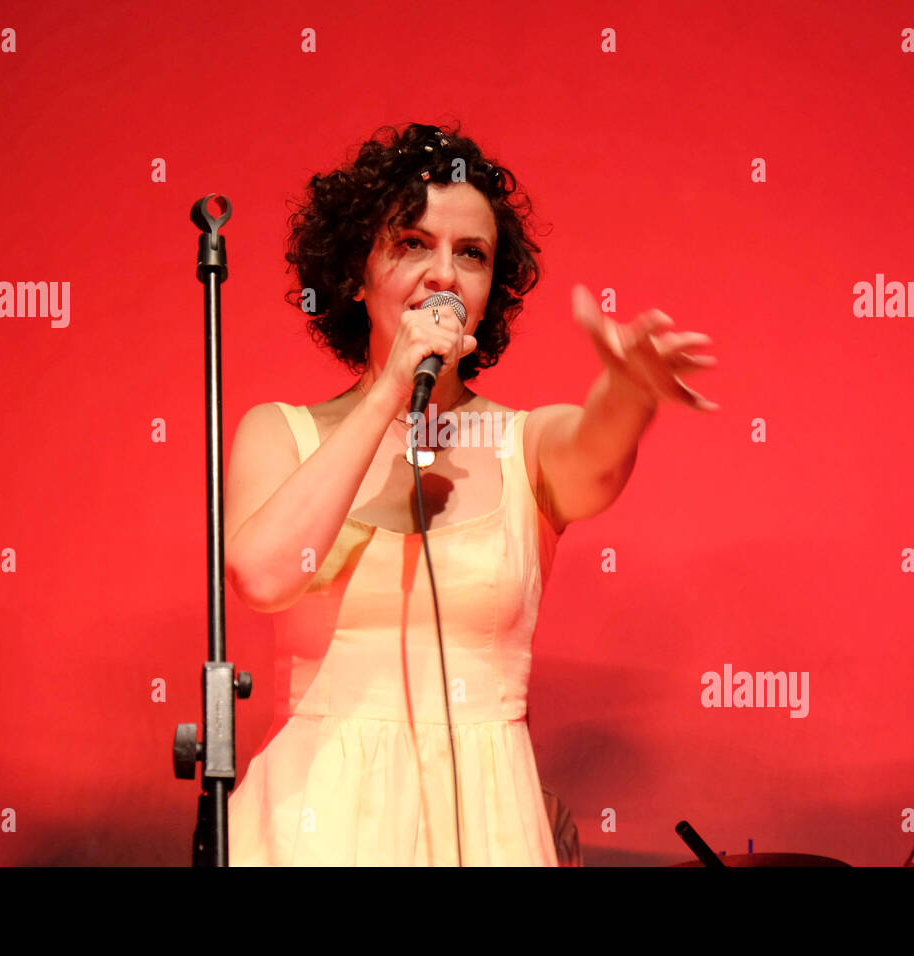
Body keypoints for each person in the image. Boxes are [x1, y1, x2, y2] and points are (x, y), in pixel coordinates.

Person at [223, 122, 717, 866]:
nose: (445, 276)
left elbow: (594, 452)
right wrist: (391, 386)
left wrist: (629, 394)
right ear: (357, 275)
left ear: (491, 290)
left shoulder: (526, 444)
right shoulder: (281, 432)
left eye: (472, 255)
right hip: (307, 825)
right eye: (413, 244)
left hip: (483, 827)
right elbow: (262, 574)